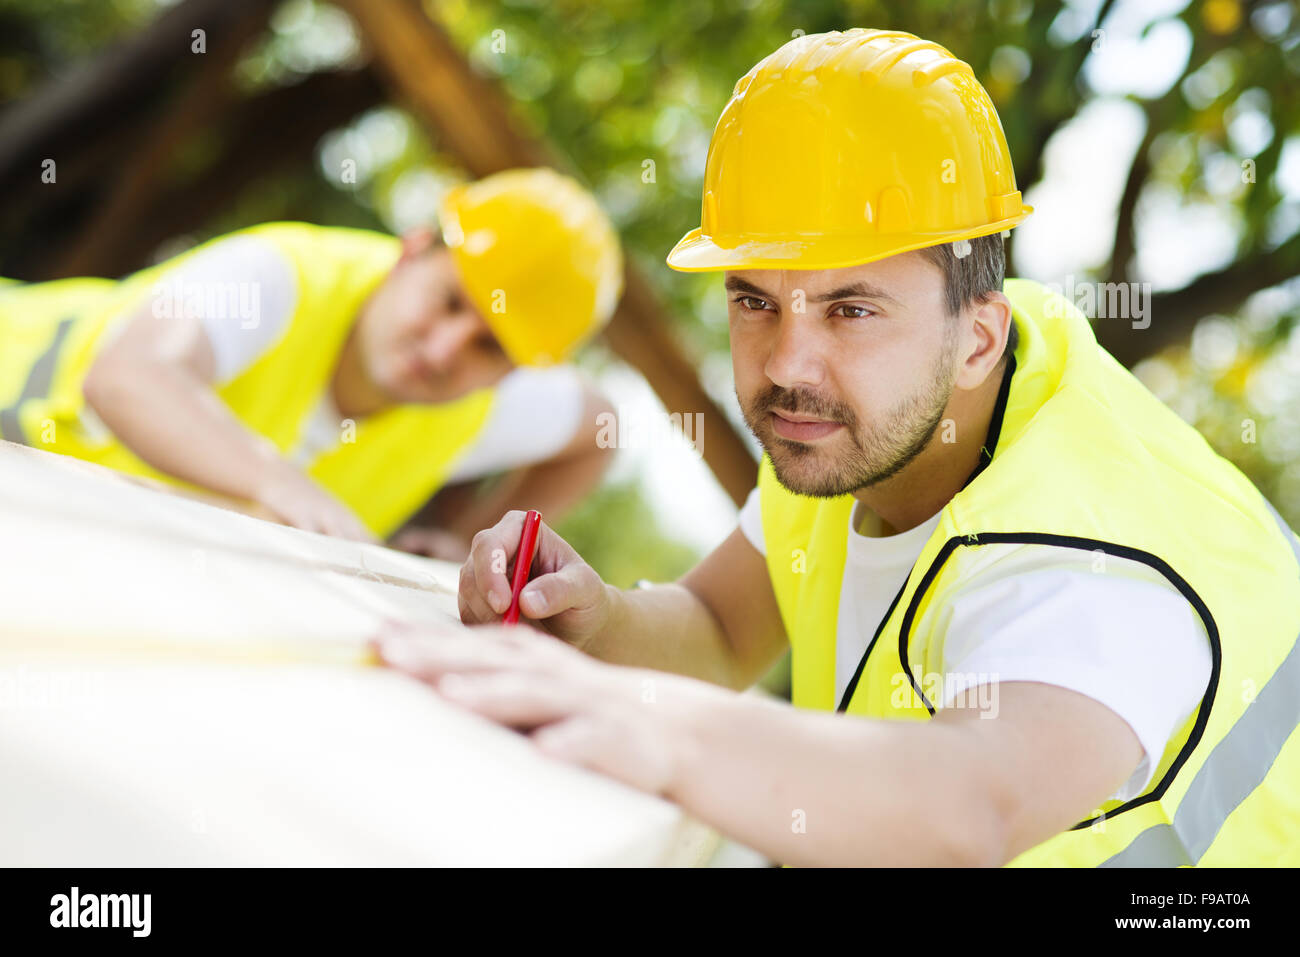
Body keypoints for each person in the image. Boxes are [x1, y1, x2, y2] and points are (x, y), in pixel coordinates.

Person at [377, 28, 1300, 866]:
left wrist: (657, 727)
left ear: (977, 337)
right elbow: (722, 626)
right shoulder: (867, 422)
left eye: (852, 310)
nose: (787, 363)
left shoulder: (1094, 553)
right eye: (755, 301)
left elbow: (971, 804)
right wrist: (595, 619)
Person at [0, 168, 621, 555]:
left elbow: (602, 430)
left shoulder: (488, 406)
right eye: (449, 301)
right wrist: (277, 481)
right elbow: (130, 377)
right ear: (413, 250)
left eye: (490, 346)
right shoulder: (281, 274)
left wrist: (471, 545)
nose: (442, 351)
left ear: (517, 370)